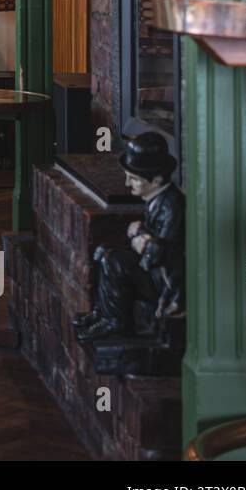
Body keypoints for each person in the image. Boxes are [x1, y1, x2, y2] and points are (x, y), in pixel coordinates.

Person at [74, 132, 185, 342]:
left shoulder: (171, 206)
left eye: (134, 179)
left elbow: (160, 254)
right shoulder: (156, 200)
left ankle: (116, 322)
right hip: (152, 271)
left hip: (164, 282)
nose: (127, 183)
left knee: (114, 261)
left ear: (156, 179)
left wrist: (141, 236)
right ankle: (103, 311)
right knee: (102, 252)